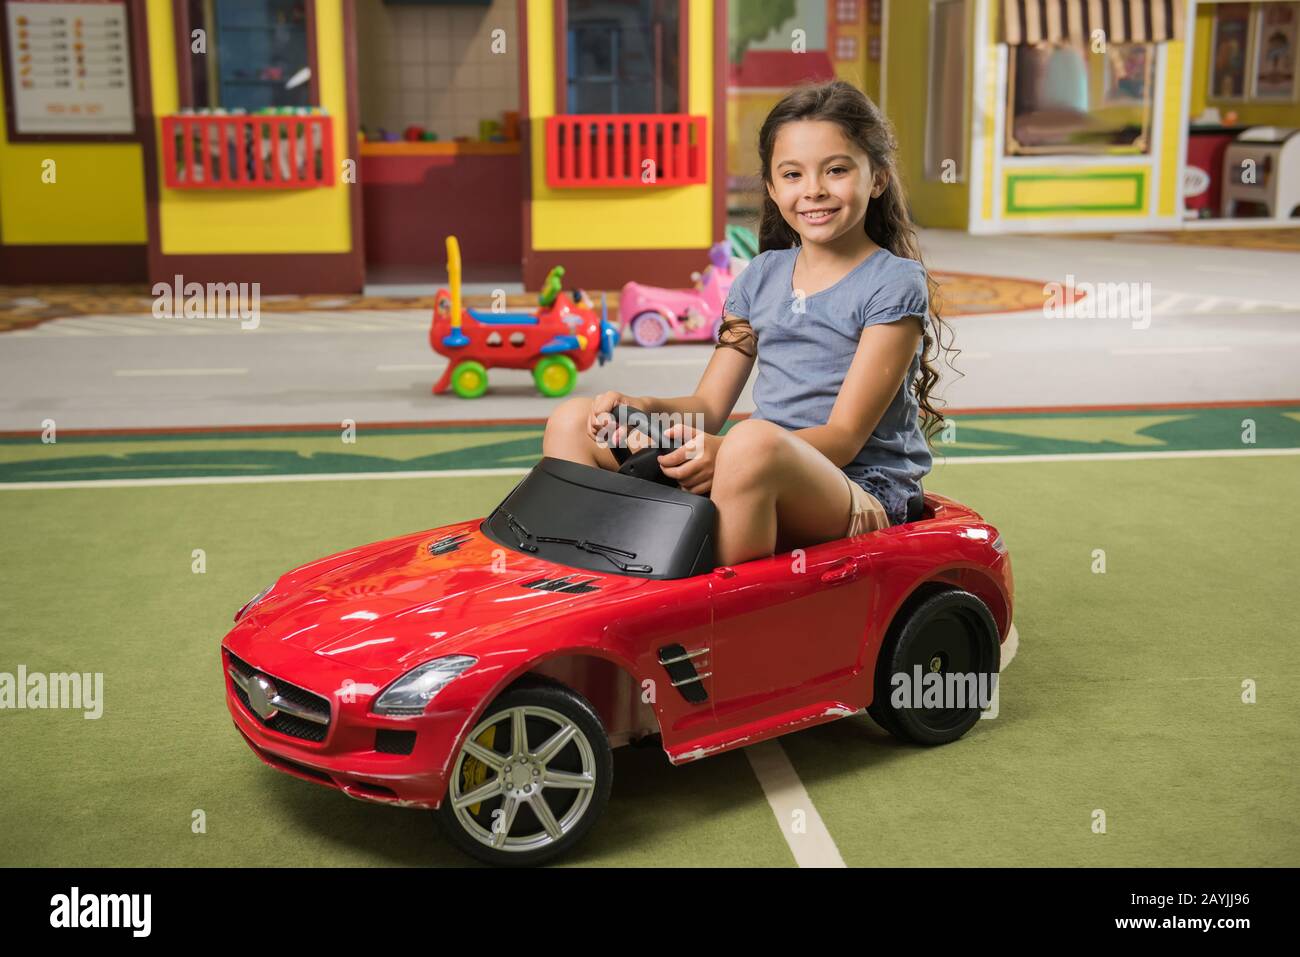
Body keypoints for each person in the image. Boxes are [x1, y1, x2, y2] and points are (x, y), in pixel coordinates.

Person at [542, 79, 953, 566]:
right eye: (793, 174)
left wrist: (729, 453)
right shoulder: (759, 277)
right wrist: (643, 405)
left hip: (857, 488)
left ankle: (725, 616)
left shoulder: (893, 282)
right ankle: (595, 573)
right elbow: (707, 407)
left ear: (877, 178)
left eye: (837, 170)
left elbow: (843, 438)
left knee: (750, 442)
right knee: (574, 420)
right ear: (773, 188)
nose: (814, 189)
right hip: (755, 465)